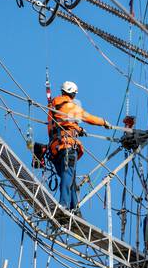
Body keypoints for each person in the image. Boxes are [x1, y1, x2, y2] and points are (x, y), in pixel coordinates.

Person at [47, 80, 111, 210]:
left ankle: (74, 208)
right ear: (72, 94)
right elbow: (88, 118)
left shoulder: (52, 107)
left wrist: (77, 129)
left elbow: (61, 124)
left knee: (70, 179)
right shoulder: (70, 106)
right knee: (68, 177)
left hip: (55, 149)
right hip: (67, 146)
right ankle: (65, 205)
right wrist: (103, 122)